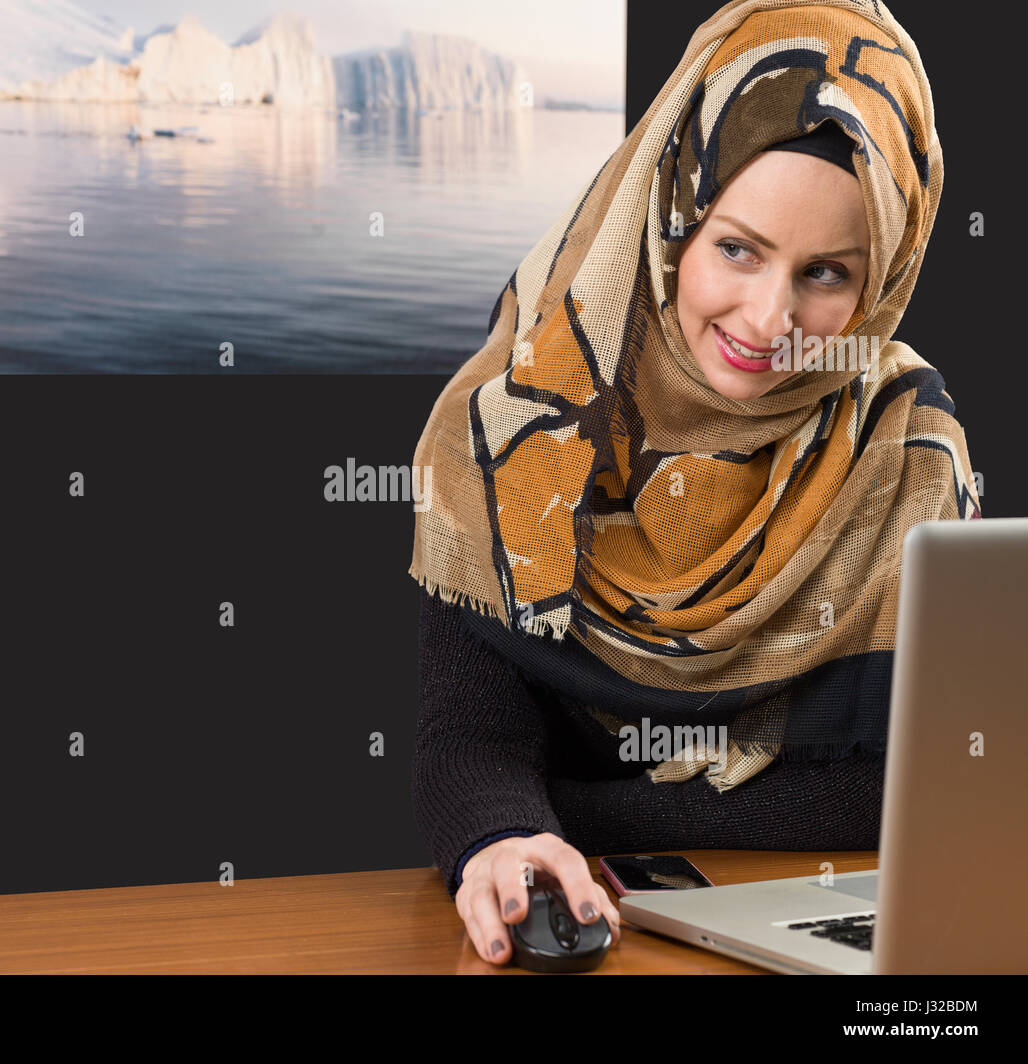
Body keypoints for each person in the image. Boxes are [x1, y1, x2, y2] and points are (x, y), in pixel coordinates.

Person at [408, 0, 981, 967]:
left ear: (883, 279)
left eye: (828, 273)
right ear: (672, 215)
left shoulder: (908, 443)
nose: (769, 317)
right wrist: (511, 836)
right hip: (617, 933)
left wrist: (580, 808)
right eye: (736, 248)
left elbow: (922, 788)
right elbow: (471, 743)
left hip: (828, 936)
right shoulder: (515, 429)